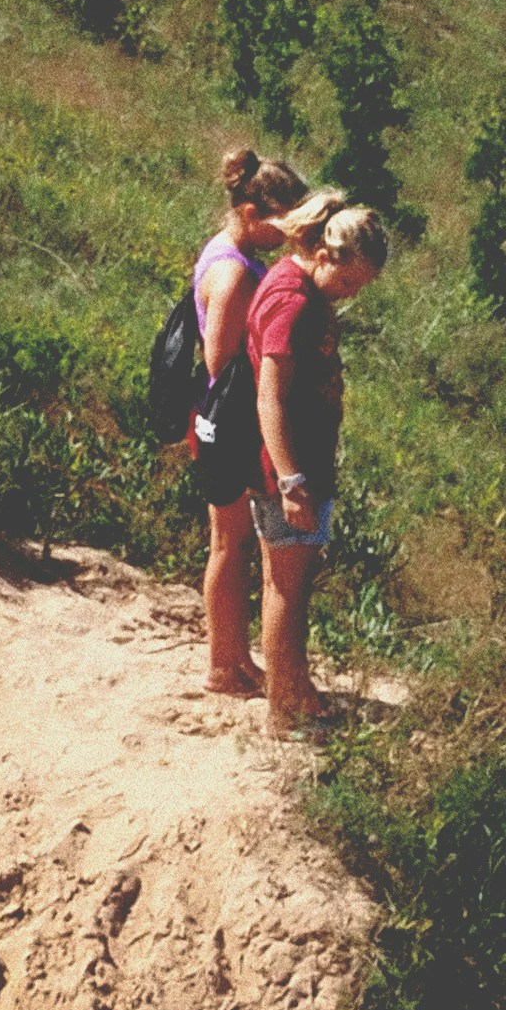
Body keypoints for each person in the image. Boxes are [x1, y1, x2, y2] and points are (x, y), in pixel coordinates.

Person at [248, 195, 389, 735]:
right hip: (289, 469)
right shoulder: (292, 301)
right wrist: (291, 480)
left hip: (305, 464)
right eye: (350, 283)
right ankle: (281, 709)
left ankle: (293, 686)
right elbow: (270, 397)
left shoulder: (302, 286)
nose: (351, 296)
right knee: (286, 585)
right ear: (327, 255)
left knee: (293, 580)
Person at [190, 143, 307, 694]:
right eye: (283, 225)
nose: (291, 235)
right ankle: (222, 664)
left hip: (218, 421)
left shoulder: (225, 251)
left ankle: (233, 660)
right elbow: (219, 359)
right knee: (228, 545)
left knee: (227, 543)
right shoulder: (236, 272)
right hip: (229, 422)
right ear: (251, 216)